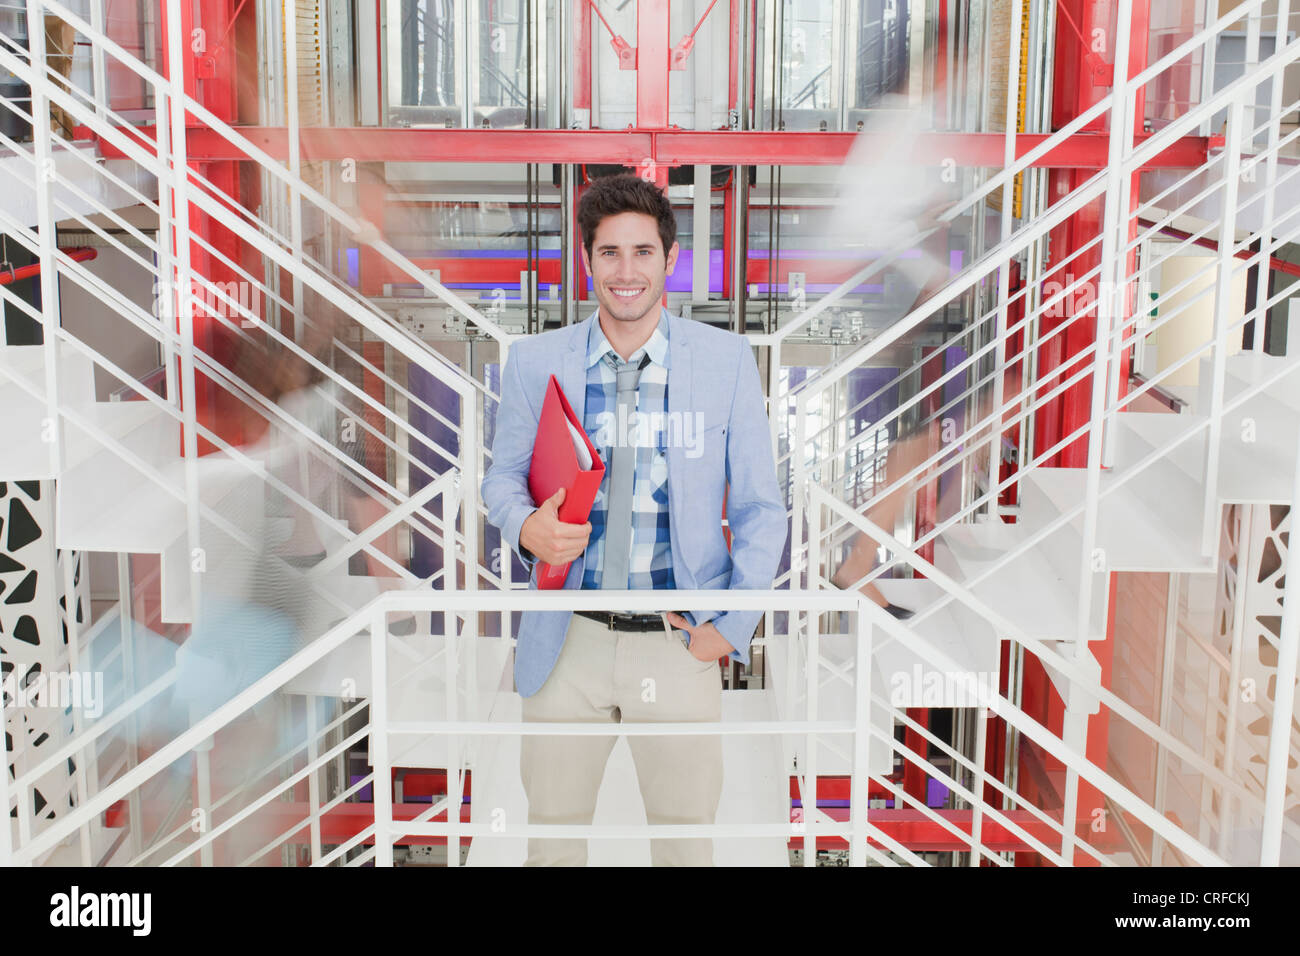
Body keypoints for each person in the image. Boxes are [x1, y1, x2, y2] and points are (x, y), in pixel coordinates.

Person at [481, 173, 787, 866]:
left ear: (669, 259)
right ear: (587, 260)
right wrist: (526, 526)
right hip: (568, 640)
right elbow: (500, 479)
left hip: (679, 642)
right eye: (610, 252)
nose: (627, 271)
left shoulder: (726, 362)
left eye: (642, 252)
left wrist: (731, 630)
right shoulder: (534, 363)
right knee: (552, 845)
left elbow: (762, 510)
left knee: (685, 846)